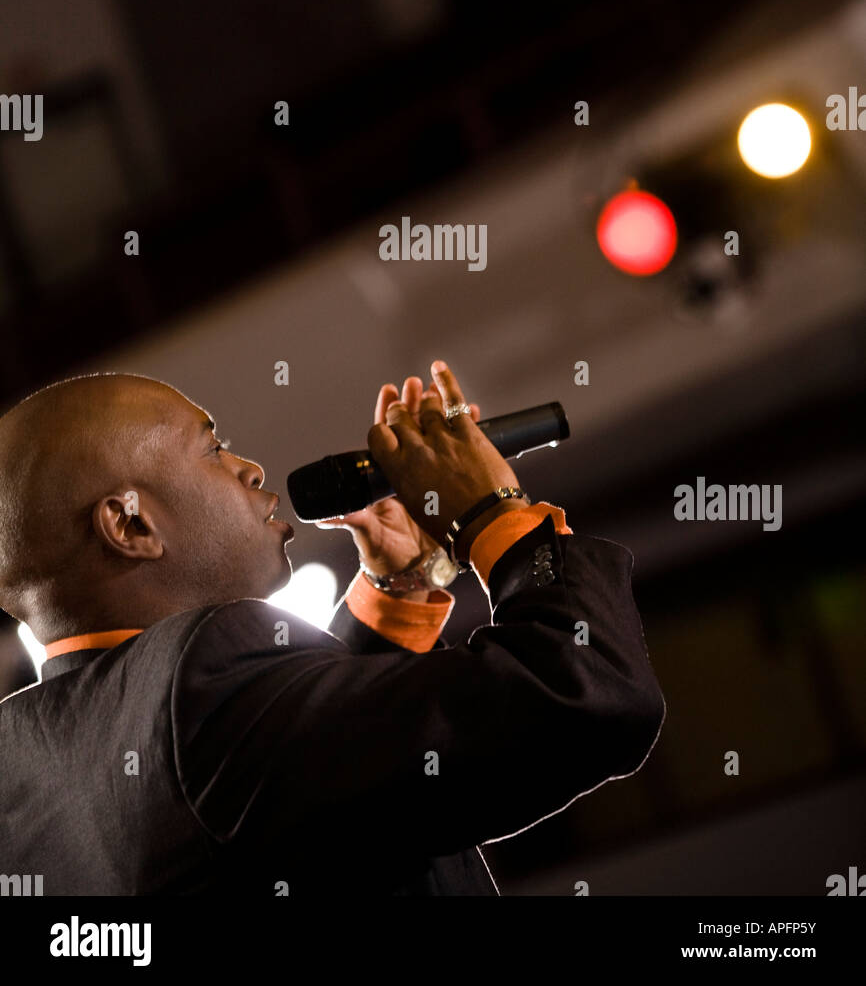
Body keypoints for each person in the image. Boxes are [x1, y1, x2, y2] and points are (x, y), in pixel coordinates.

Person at [0, 359, 665, 896]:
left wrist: (395, 591)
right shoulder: (203, 687)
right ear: (130, 525)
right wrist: (495, 515)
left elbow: (284, 779)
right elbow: (583, 691)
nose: (249, 468)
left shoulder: (23, 763)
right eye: (214, 447)